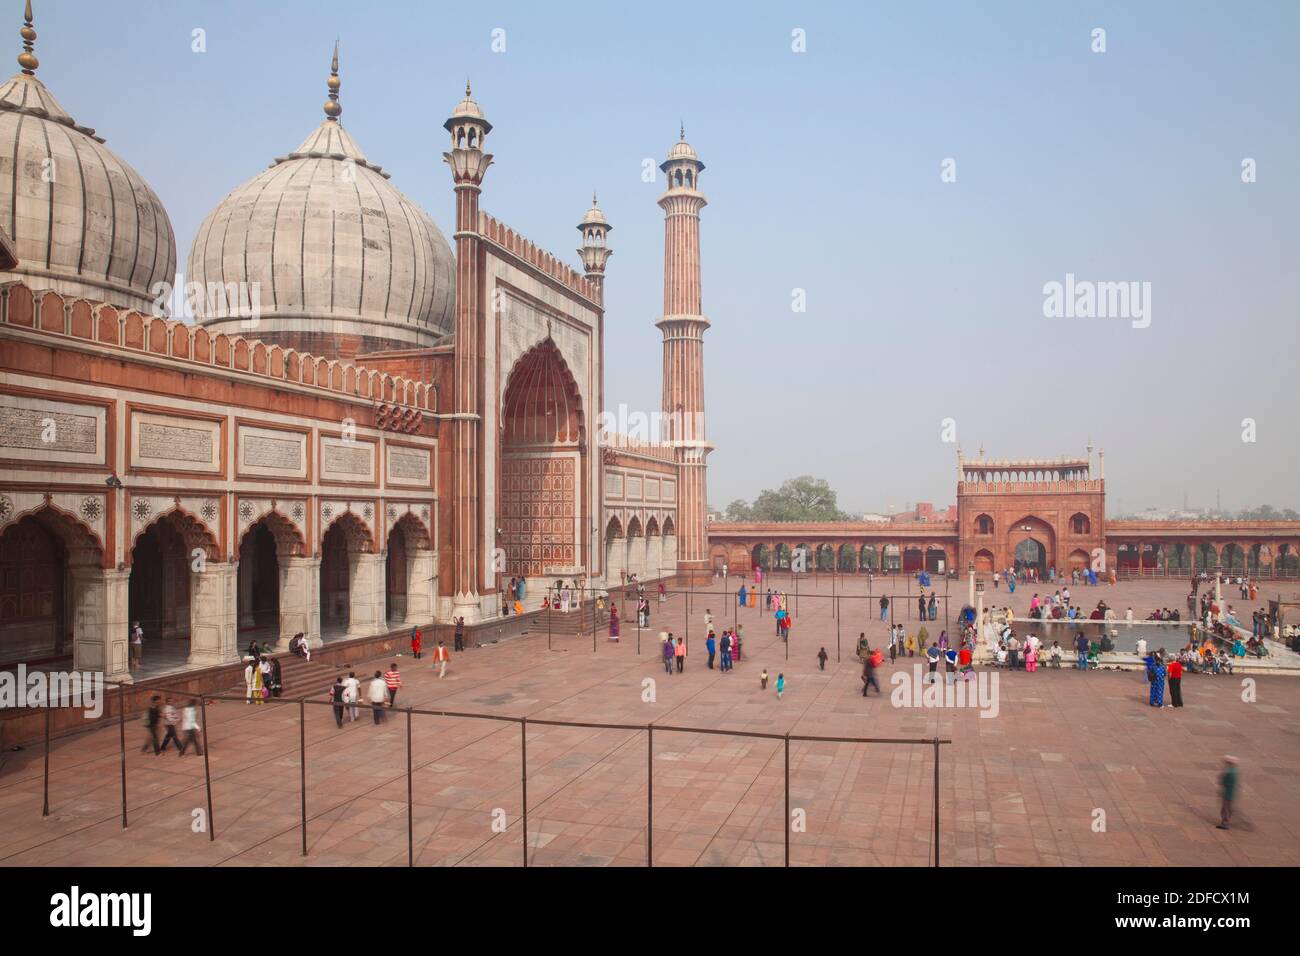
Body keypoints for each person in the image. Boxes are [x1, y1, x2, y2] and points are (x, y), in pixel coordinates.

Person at [1217, 756, 1239, 830]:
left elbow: (1223, 782)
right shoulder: (1234, 770)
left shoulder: (1229, 772)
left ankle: (1225, 823)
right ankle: (1227, 821)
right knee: (1228, 808)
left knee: (1225, 809)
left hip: (1227, 793)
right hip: (1231, 792)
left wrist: (1222, 775)